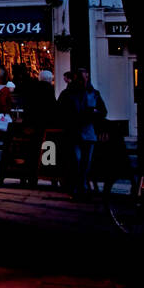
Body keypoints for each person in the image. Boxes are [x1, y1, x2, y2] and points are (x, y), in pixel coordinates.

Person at [56, 67, 108, 199]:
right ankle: (76, 187)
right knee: (77, 161)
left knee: (85, 163)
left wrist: (95, 114)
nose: (84, 80)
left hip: (87, 131)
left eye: (86, 77)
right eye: (82, 77)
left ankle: (81, 187)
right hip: (75, 131)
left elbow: (103, 111)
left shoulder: (93, 93)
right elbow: (61, 112)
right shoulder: (68, 94)